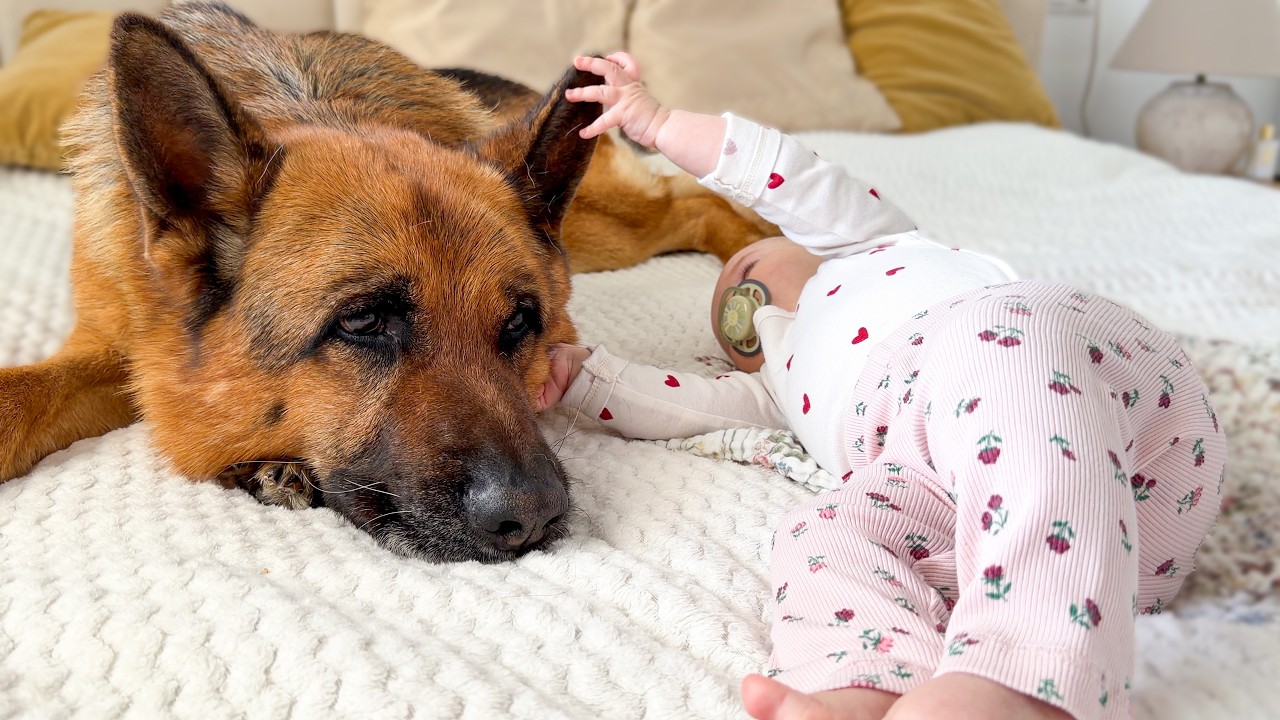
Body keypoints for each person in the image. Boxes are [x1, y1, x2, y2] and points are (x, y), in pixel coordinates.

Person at [539, 52, 1225, 720]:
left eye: (747, 267)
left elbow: (787, 175)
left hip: (1098, 411)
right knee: (824, 530)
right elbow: (676, 407)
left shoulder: (874, 242)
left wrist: (657, 124)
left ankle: (1026, 680)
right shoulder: (776, 396)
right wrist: (576, 374)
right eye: (734, 320)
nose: (750, 304)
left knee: (1012, 369)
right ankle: (861, 682)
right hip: (993, 517)